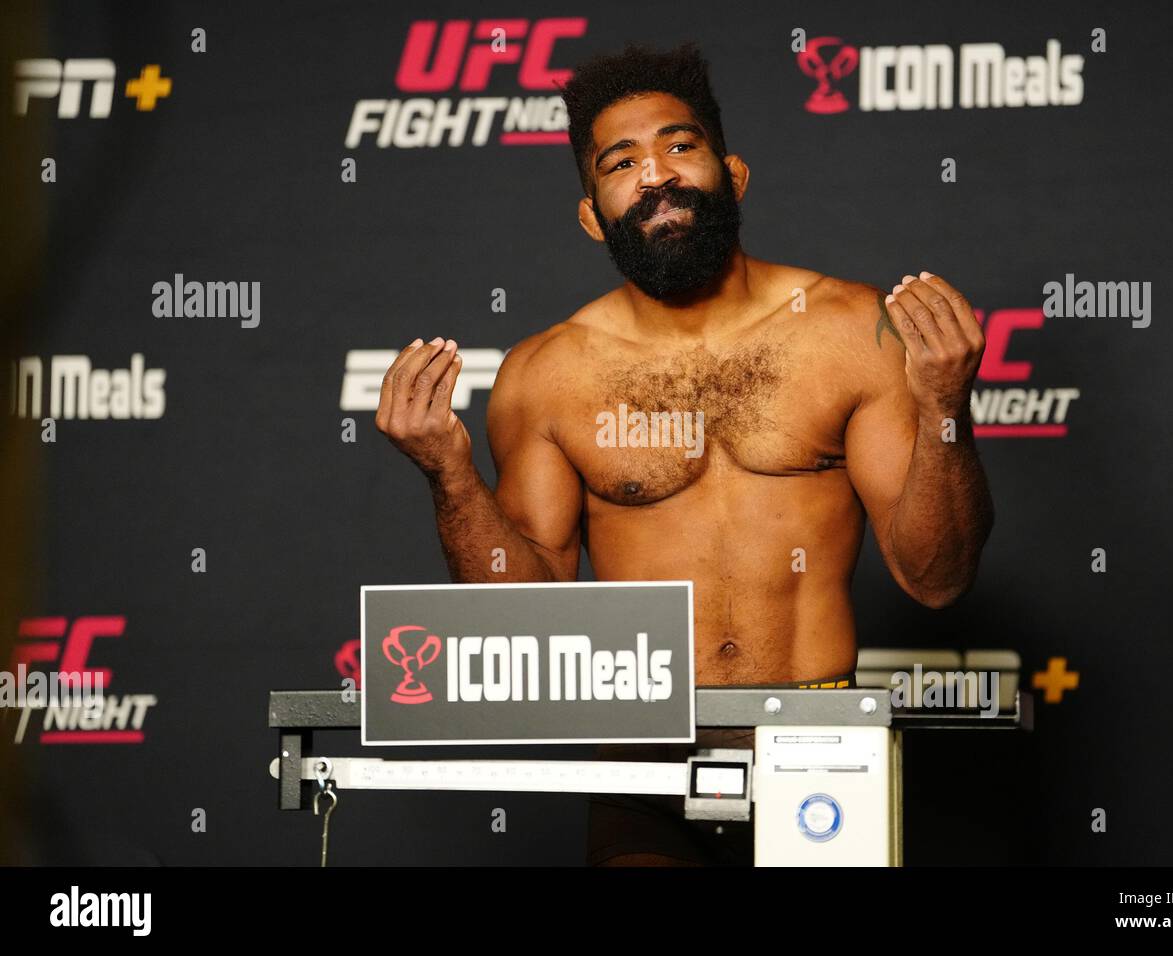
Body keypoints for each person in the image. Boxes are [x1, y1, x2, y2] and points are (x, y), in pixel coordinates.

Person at [374, 43, 994, 865]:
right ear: (594, 213)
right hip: (643, 756)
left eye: (680, 145)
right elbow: (528, 620)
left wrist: (946, 407)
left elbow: (937, 575)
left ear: (732, 175)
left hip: (816, 741)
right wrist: (448, 471)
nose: (656, 175)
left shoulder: (851, 333)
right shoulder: (545, 376)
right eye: (620, 161)